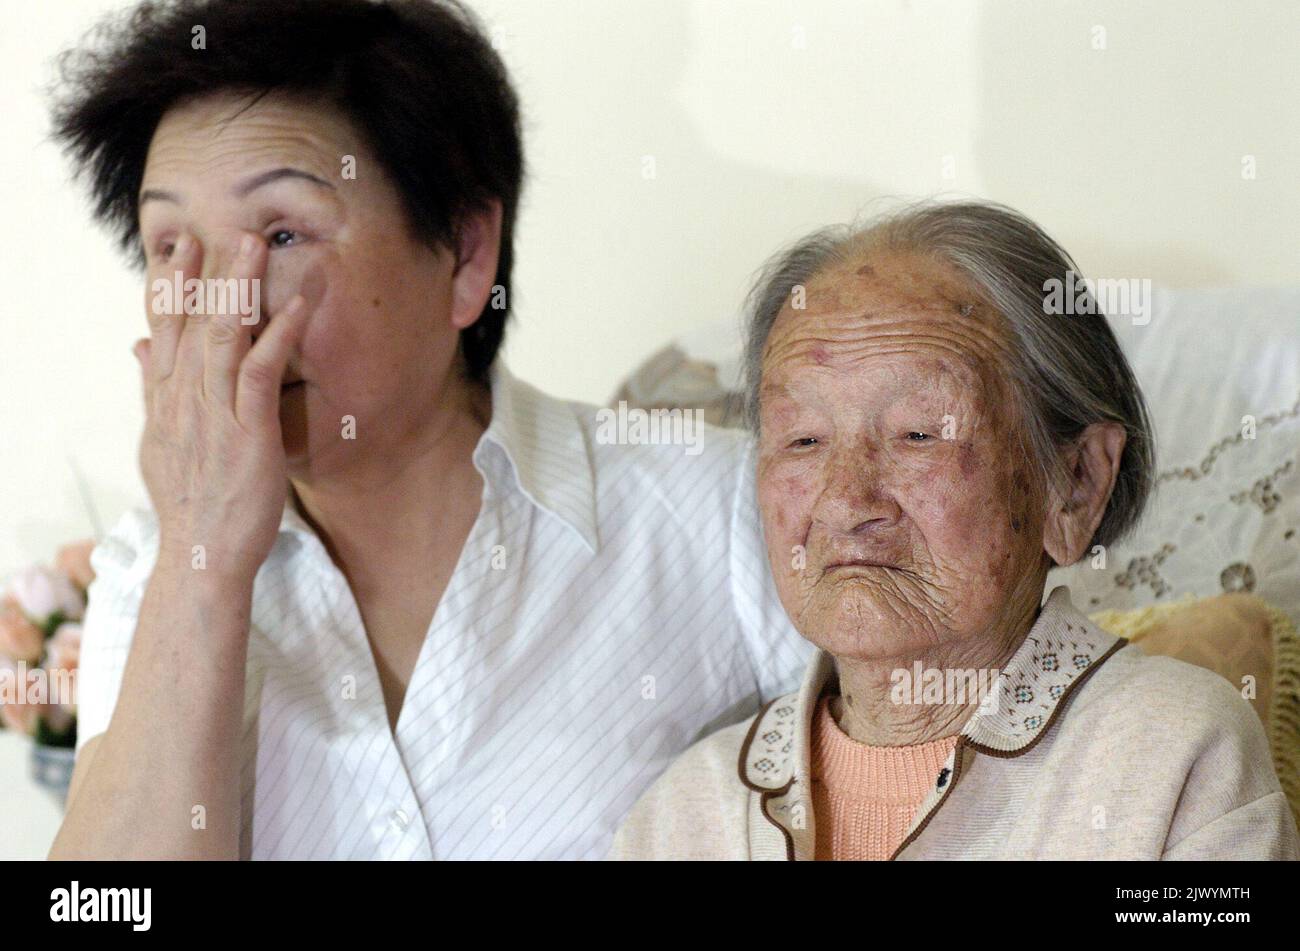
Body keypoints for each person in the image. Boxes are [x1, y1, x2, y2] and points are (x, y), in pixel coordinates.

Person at [48, 0, 810, 860]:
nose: (227, 305)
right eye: (170, 247)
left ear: (464, 253)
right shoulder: (148, 575)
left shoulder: (727, 510)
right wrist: (202, 559)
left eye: (283, 232)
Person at [611, 201, 1300, 860]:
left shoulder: (1172, 755)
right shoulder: (683, 812)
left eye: (918, 433)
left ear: (1077, 482)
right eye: (803, 440)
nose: (848, 501)